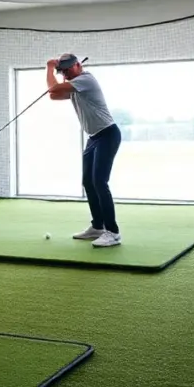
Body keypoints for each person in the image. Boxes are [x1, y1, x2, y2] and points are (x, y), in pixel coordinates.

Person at [46, 53, 122, 247]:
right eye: (63, 70)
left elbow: (53, 88)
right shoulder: (73, 85)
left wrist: (49, 68)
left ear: (78, 65)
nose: (67, 72)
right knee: (88, 182)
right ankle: (97, 227)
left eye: (69, 68)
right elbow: (54, 95)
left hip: (108, 134)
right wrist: (59, 75)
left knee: (99, 182)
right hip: (94, 138)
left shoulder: (85, 80)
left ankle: (112, 232)